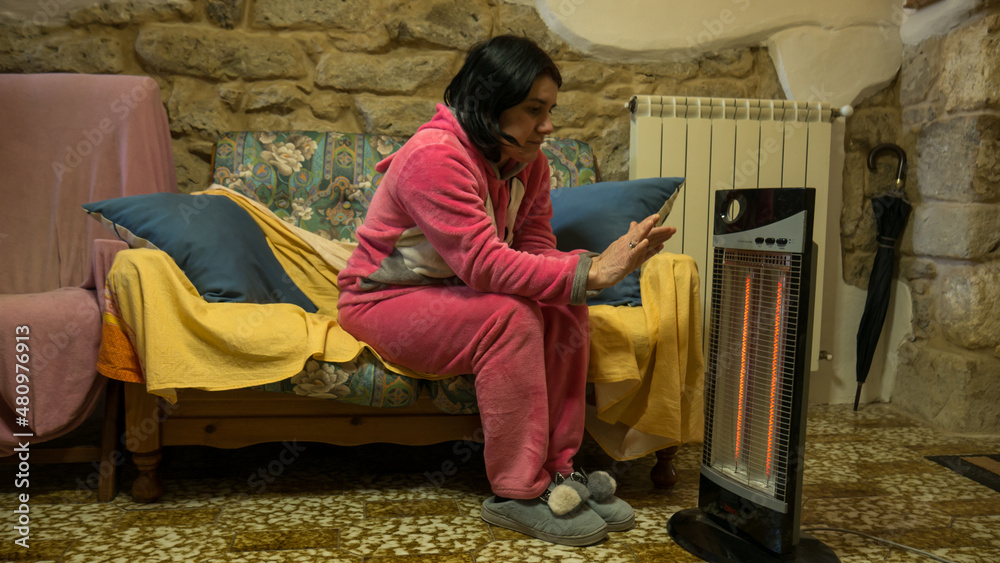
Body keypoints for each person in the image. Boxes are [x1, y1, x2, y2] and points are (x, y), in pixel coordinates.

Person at [336, 35, 675, 546]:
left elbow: (535, 248)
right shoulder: (433, 156)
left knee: (564, 306)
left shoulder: (529, 163)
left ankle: (560, 473)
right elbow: (482, 264)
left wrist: (595, 265)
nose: (548, 126)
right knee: (510, 316)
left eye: (550, 110)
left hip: (453, 293)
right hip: (382, 301)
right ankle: (517, 492)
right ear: (489, 105)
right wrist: (592, 273)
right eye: (534, 110)